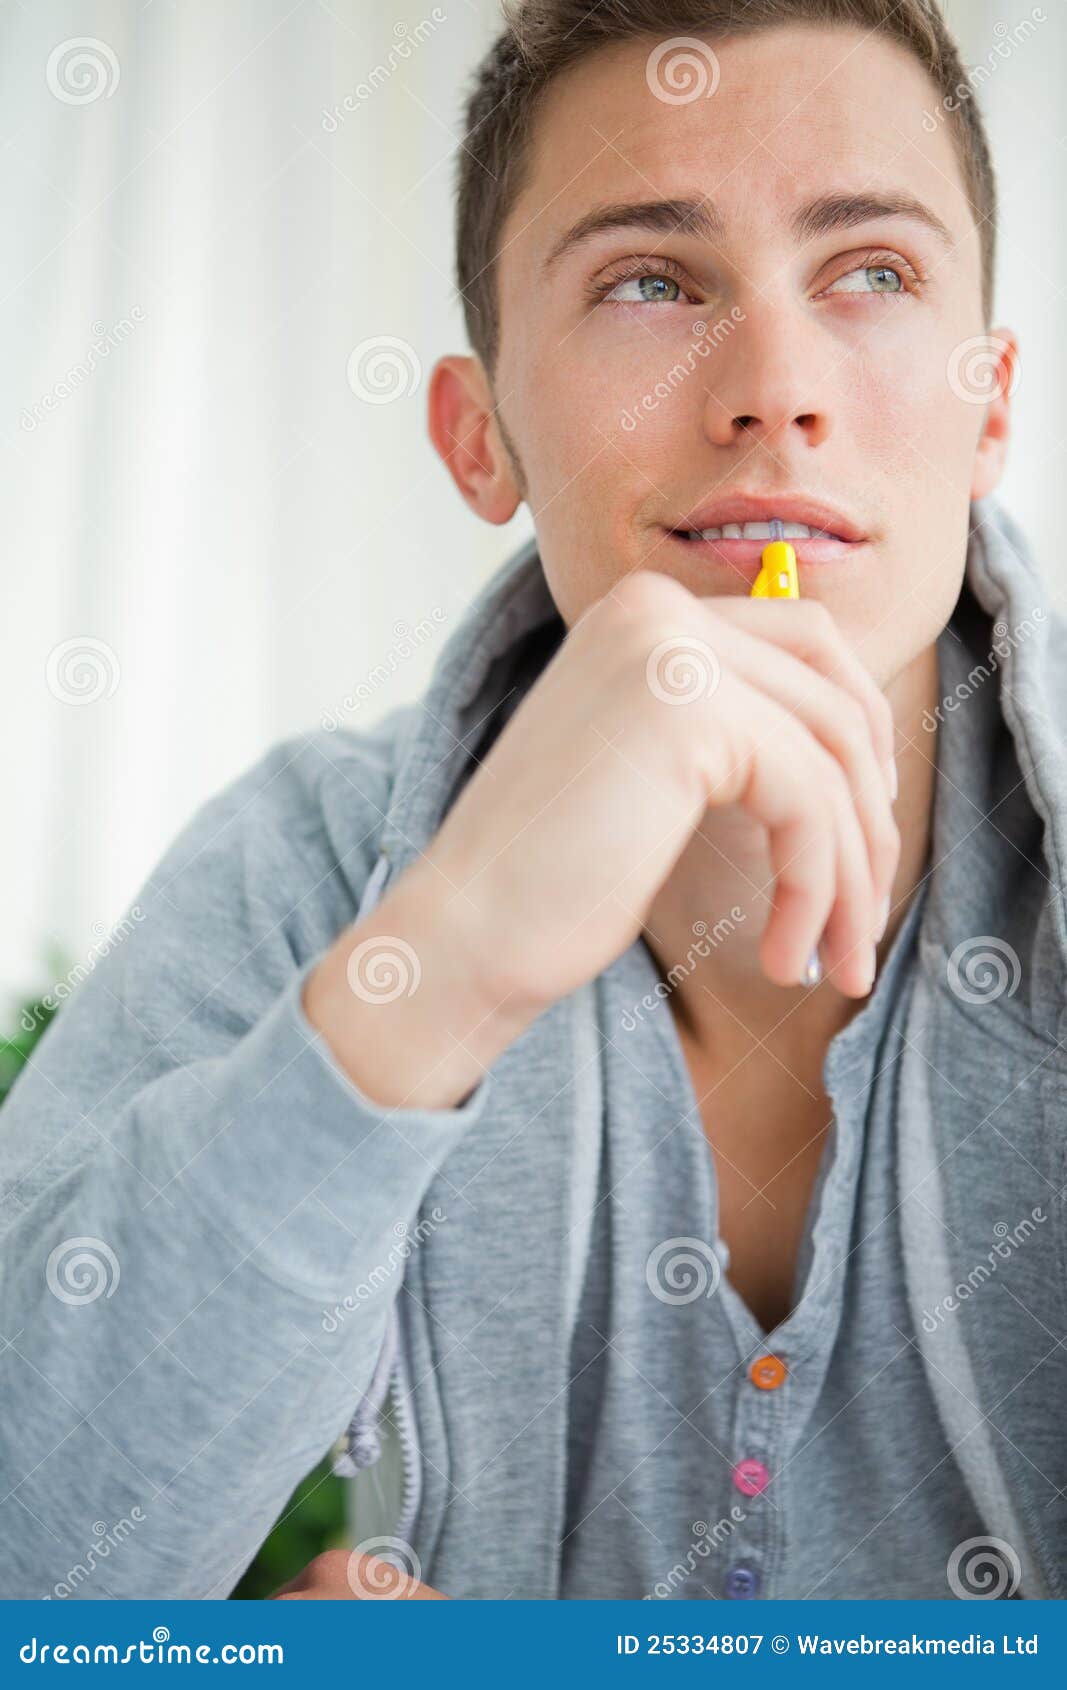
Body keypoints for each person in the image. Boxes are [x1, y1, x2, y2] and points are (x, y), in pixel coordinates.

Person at [2, 0, 1064, 1602]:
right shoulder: (307, 865)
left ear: (991, 406)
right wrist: (448, 961)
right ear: (477, 434)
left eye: (873, 273)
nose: (774, 386)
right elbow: (36, 1565)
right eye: (650, 280)